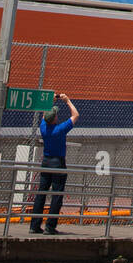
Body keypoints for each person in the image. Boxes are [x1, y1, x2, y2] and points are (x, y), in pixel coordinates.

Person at [29, 93, 79, 234]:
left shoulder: (44, 127)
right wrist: (68, 100)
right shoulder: (59, 129)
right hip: (58, 163)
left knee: (41, 193)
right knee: (56, 195)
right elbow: (75, 115)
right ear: (55, 118)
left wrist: (51, 101)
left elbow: (46, 115)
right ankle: (50, 226)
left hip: (46, 162)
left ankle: (34, 225)